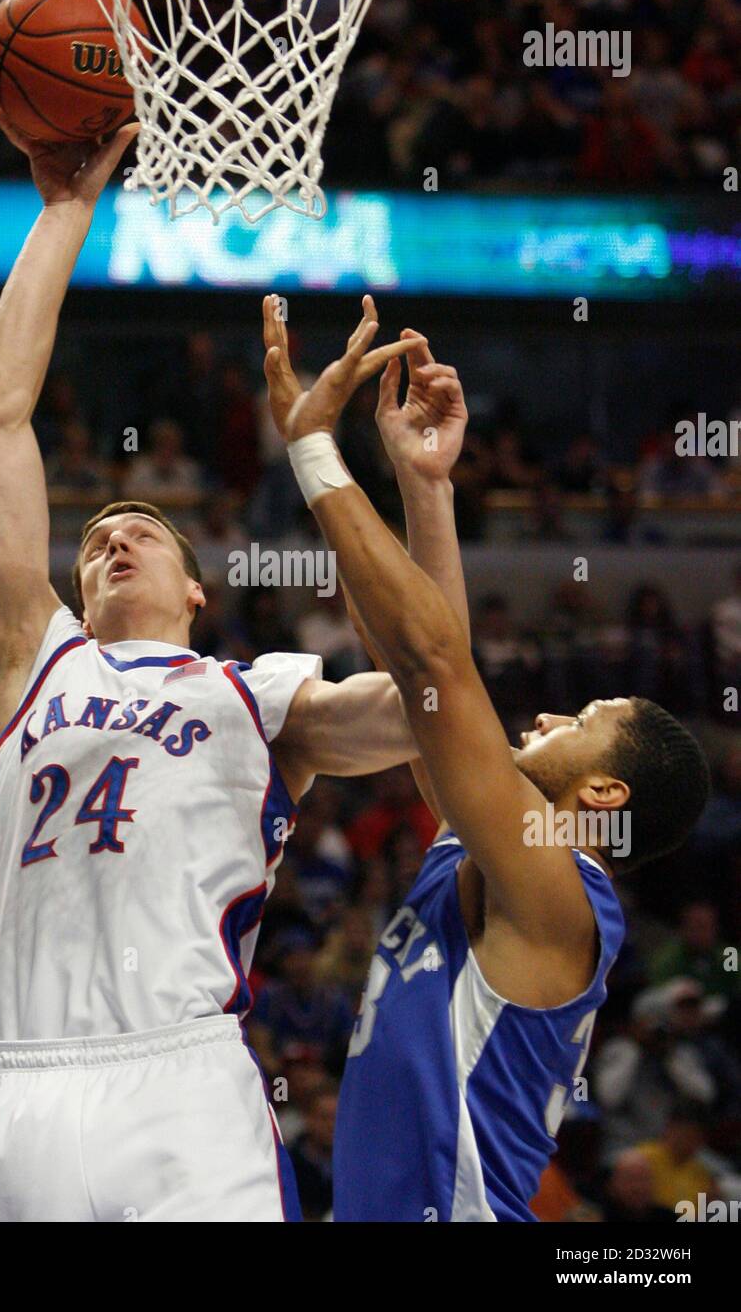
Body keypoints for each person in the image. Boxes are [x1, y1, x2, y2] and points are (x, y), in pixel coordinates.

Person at [0, 116, 430, 1224]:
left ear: (198, 590)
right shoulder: (36, 658)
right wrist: (65, 212)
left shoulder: (253, 692)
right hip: (7, 1086)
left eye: (142, 533)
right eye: (93, 540)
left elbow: (428, 701)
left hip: (177, 1085)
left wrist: (357, 478)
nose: (111, 541)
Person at [262, 292, 711, 1222]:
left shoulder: (556, 884)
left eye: (580, 714)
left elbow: (435, 664)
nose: (547, 712)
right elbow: (413, 672)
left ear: (601, 790)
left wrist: (315, 455)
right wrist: (424, 486)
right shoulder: (493, 853)